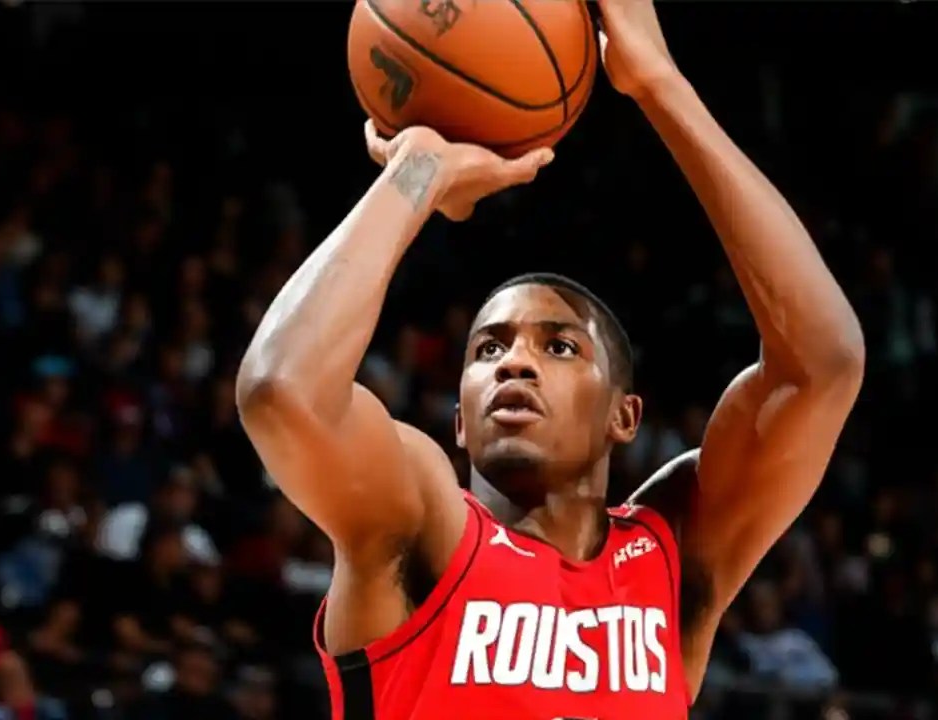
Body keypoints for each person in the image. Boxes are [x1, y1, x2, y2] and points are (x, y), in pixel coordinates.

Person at [236, 0, 864, 717]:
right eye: (488, 348)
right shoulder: (423, 525)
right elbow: (280, 389)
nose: (513, 363)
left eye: (558, 345)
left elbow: (825, 363)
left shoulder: (672, 559)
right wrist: (418, 174)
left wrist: (661, 84)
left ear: (625, 416)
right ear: (460, 422)